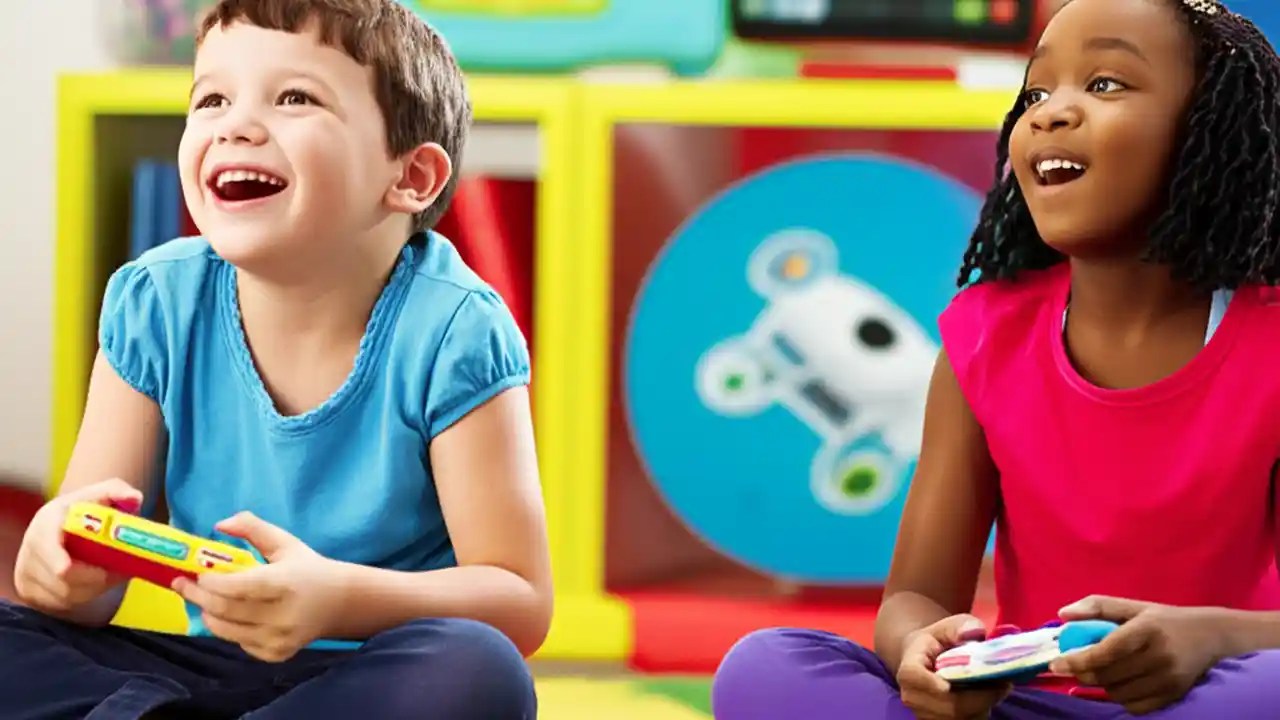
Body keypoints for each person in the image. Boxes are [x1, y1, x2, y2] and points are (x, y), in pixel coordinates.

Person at [711, 0, 1280, 718]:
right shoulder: (984, 338)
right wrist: (922, 647)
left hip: (1211, 698)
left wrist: (1210, 638)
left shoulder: (1268, 344)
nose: (1050, 113)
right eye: (1035, 93)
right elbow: (916, 595)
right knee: (765, 669)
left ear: (1210, 125)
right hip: (1025, 703)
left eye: (1104, 84)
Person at [2, 1, 549, 718]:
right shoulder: (155, 301)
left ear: (411, 176)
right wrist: (58, 564)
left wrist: (337, 599)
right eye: (212, 99)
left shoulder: (455, 330)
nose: (235, 125)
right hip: (202, 670)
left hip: (374, 664)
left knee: (480, 670)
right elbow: (91, 576)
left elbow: (519, 600)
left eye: (294, 98)